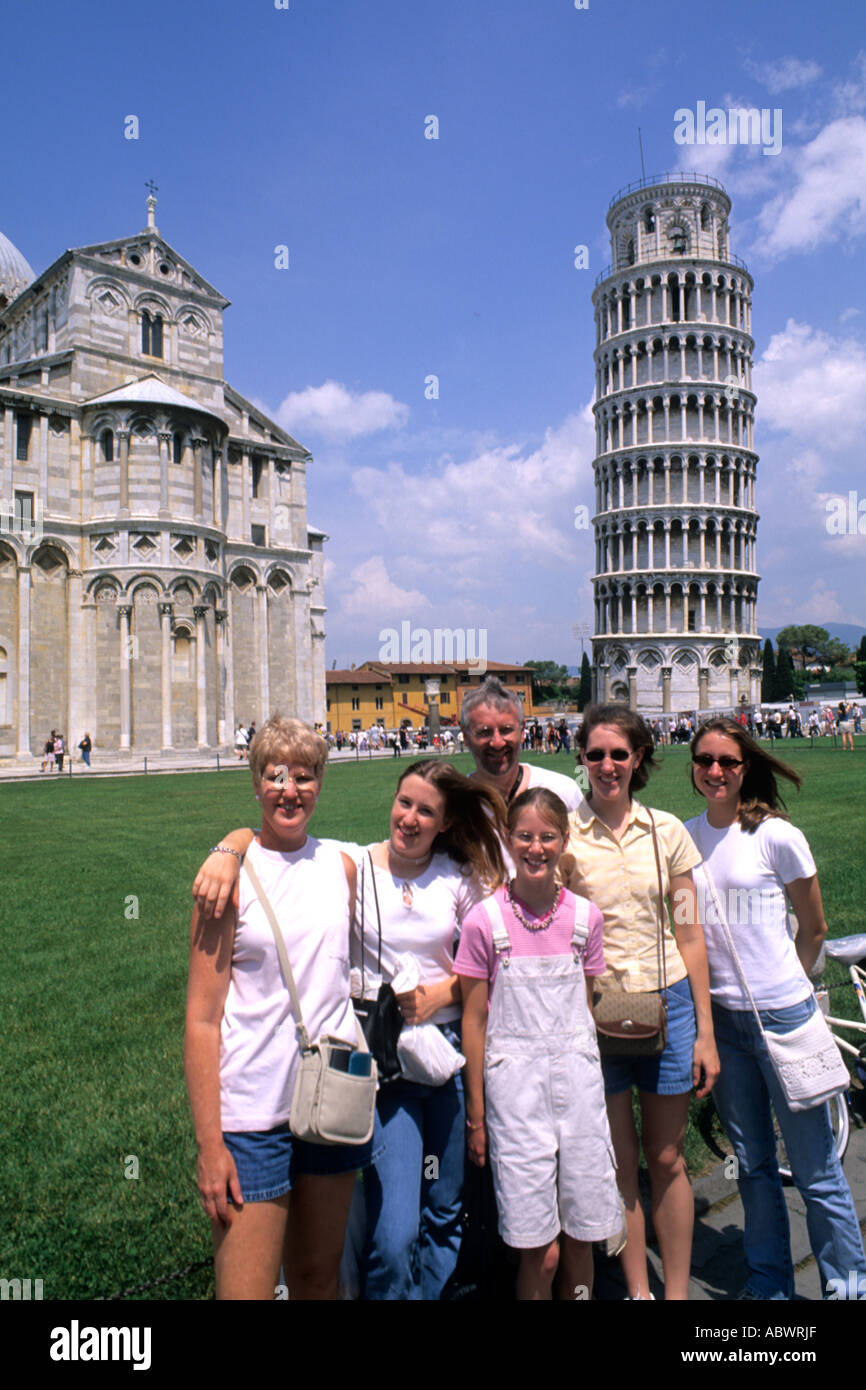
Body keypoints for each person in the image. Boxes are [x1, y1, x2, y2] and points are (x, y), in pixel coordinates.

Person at [190, 758, 506, 1302]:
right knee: (396, 1227)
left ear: (446, 823)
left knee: (447, 1207)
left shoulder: (457, 879)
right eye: (403, 803)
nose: (408, 818)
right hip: (382, 1059)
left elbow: (489, 962)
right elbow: (276, 834)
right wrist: (229, 845)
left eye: (425, 810)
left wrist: (442, 993)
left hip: (448, 1054)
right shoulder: (351, 864)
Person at [184, 716, 374, 1300]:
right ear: (256, 783)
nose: (289, 789)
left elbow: (429, 846)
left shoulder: (344, 866)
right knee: (246, 1292)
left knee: (318, 1281)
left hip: (330, 1104)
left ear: (321, 781)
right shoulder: (228, 880)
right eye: (275, 776)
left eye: (305, 776)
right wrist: (210, 1144)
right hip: (252, 1116)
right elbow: (200, 1019)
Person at [685, 718, 866, 1300]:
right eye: (705, 759)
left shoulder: (775, 835)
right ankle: (770, 1285)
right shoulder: (683, 841)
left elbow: (813, 927)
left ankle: (846, 1282)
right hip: (725, 1024)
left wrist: (784, 979)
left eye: (728, 762)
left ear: (746, 768)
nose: (715, 771)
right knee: (753, 1165)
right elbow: (691, 934)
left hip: (783, 1017)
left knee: (815, 1169)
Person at [561, 704, 719, 1300]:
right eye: (595, 754)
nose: (607, 766)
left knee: (668, 1156)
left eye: (619, 754)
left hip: (669, 1003)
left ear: (639, 759)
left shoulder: (668, 832)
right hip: (596, 1011)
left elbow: (689, 932)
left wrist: (705, 1031)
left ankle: (675, 1292)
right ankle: (638, 1290)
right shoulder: (565, 836)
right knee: (619, 1165)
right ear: (581, 759)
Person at [457, 787, 623, 1300]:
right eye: (524, 837)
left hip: (577, 1087)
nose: (536, 848)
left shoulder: (583, 919)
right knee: (541, 1248)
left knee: (581, 1239)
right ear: (509, 841)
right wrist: (477, 1117)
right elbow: (475, 1022)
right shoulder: (484, 921)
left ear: (563, 841)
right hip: (515, 1095)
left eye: (547, 837)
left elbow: (587, 1006)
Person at [460, 675, 583, 814]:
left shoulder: (562, 791)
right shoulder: (455, 804)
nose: (497, 743)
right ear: (465, 736)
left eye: (506, 730)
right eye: (484, 732)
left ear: (522, 729)